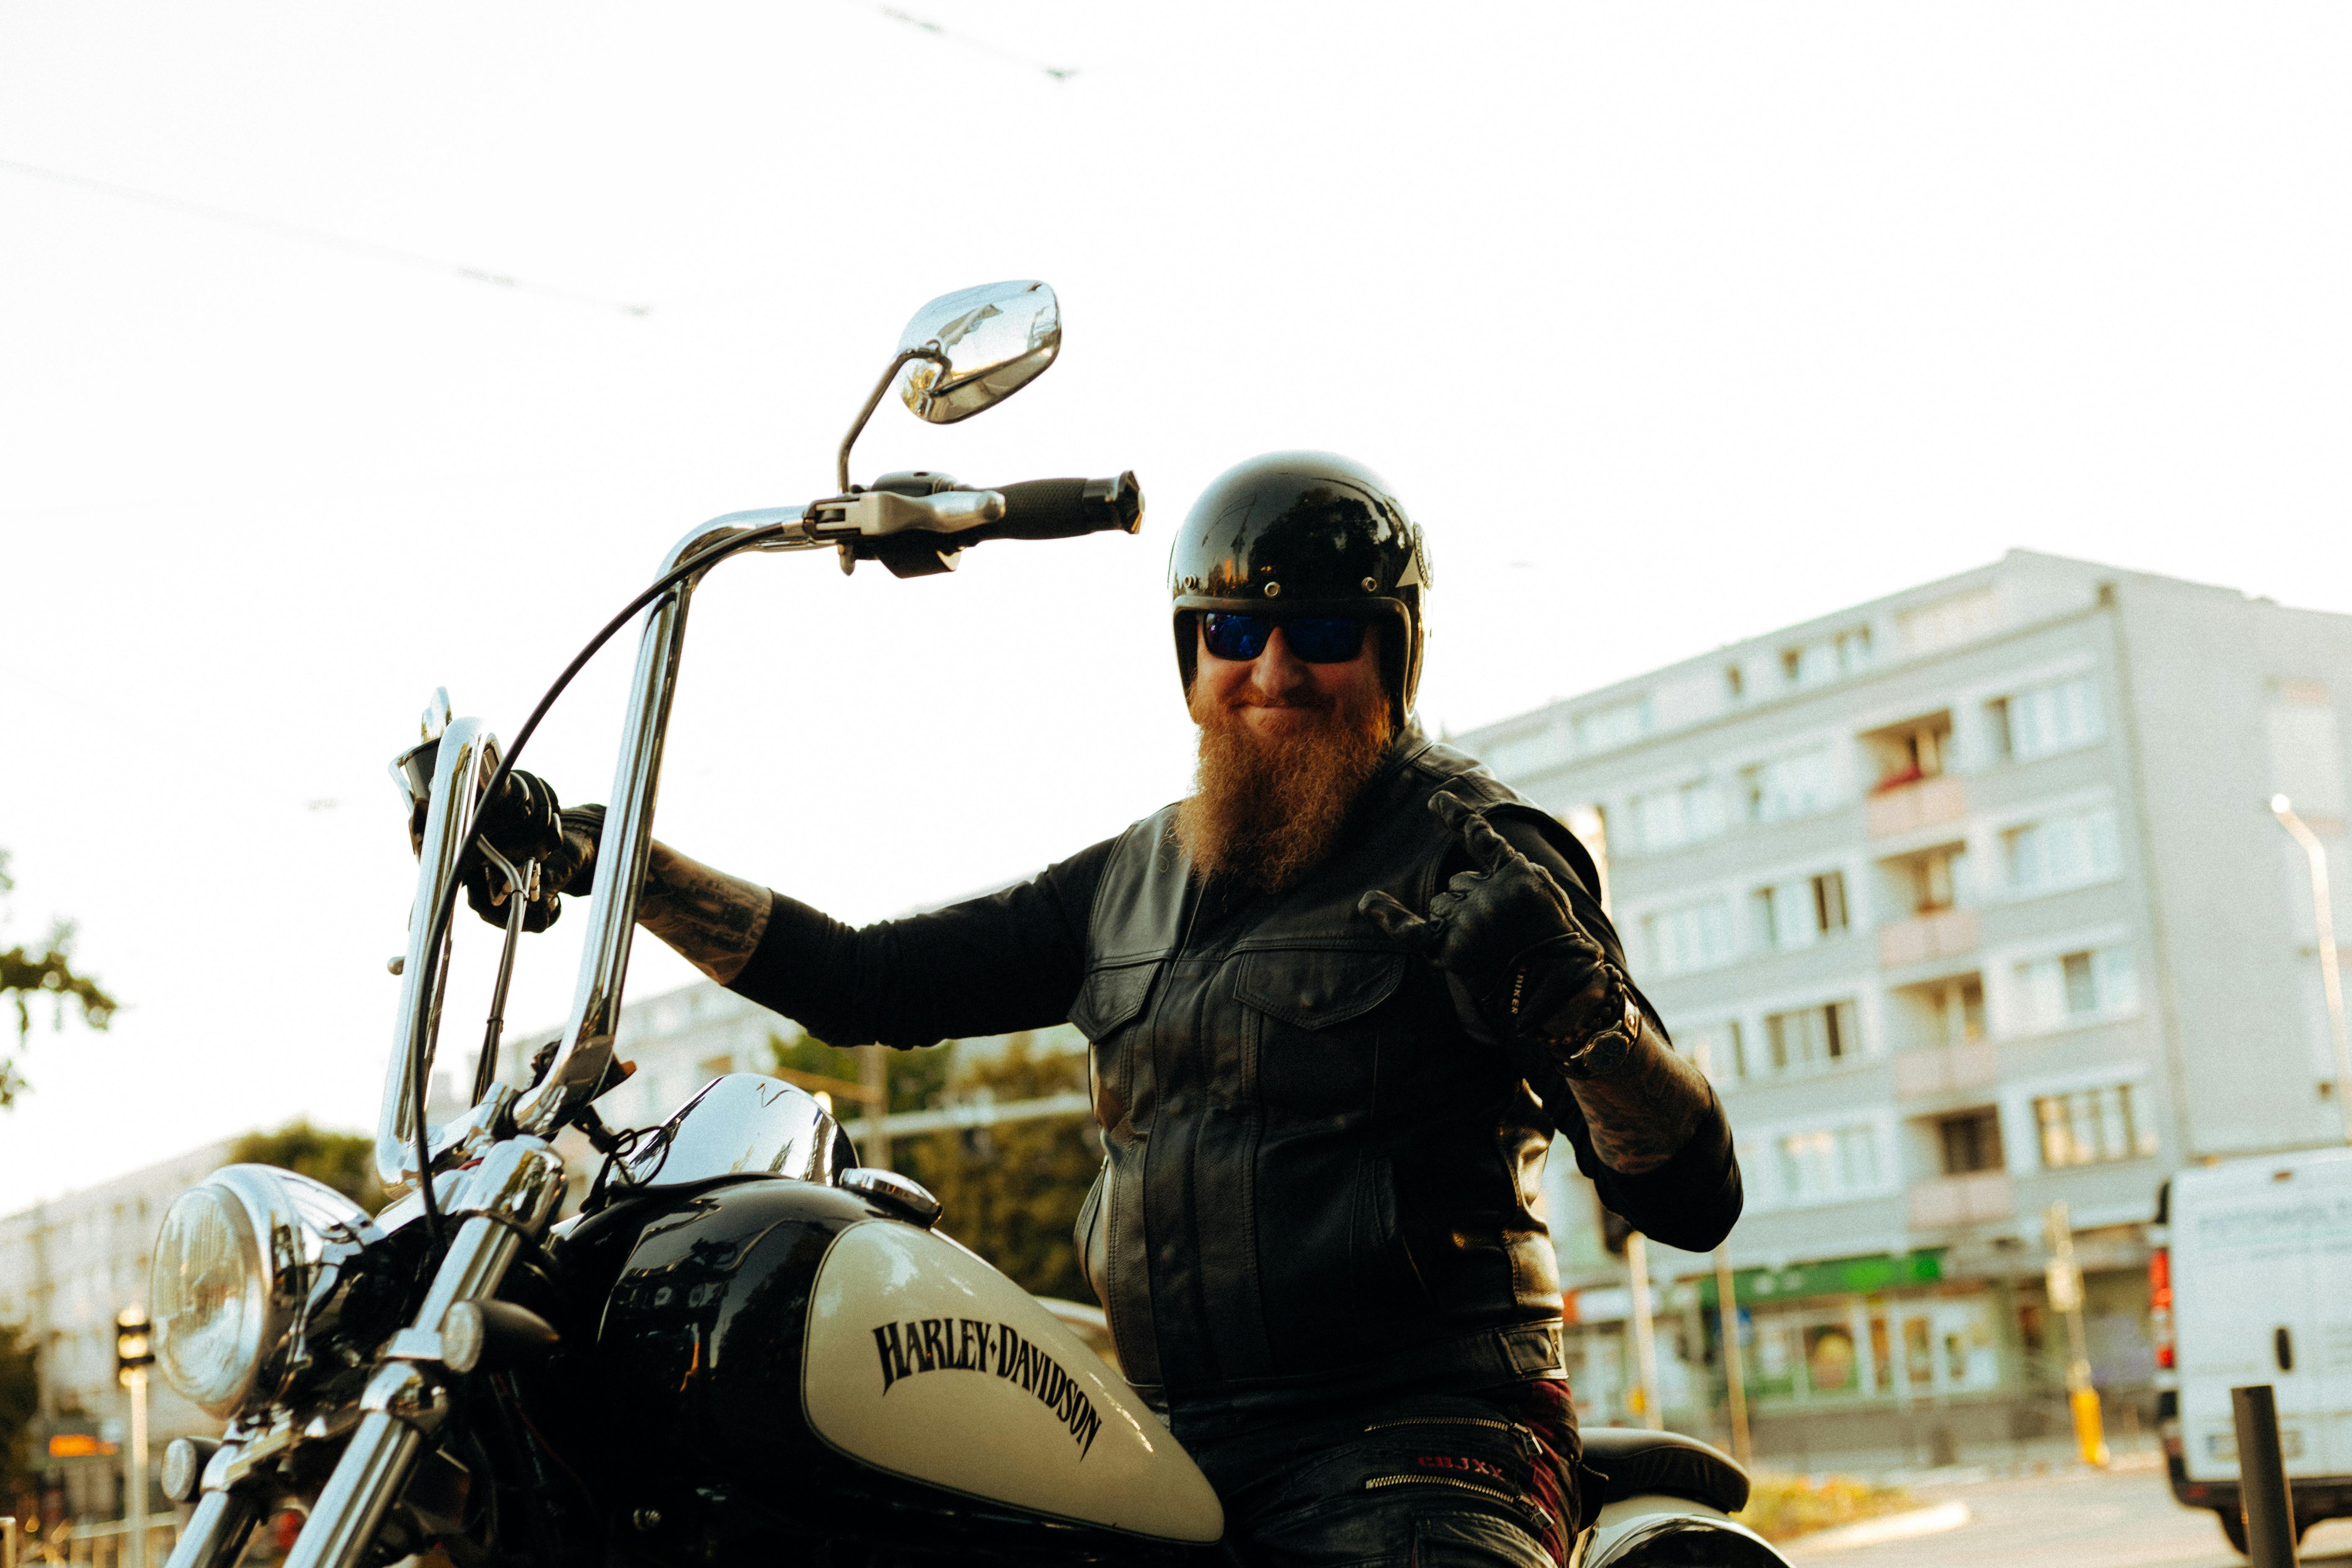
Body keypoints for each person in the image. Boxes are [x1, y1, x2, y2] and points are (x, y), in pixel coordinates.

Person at [471, 452, 1741, 1568]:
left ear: (1395, 653)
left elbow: (1689, 1198)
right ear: (1192, 659)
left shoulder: (1479, 854)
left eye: (1323, 634)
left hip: (1417, 1445)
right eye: (1235, 636)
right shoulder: (1135, 878)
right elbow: (867, 984)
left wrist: (1578, 1013)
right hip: (1152, 1435)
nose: (1274, 672)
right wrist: (612, 862)